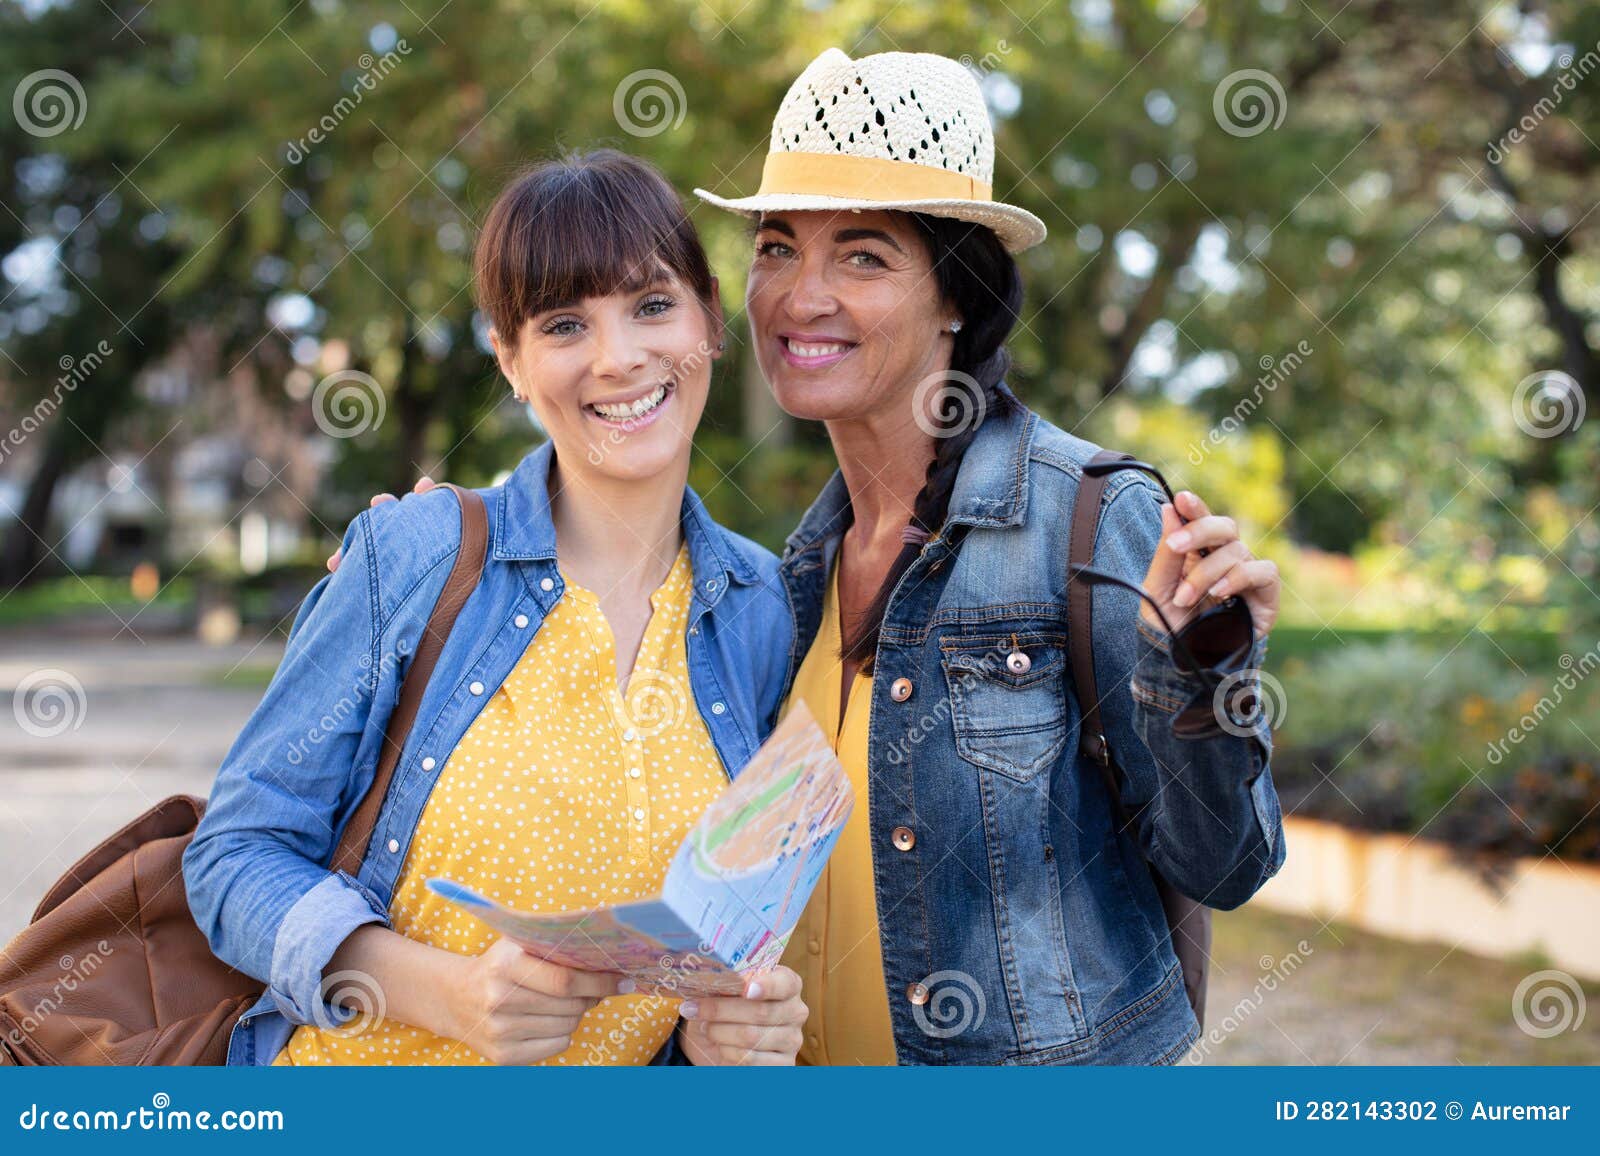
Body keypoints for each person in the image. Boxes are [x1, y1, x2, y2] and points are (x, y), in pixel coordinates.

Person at [343, 47, 1289, 1065]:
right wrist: (431, 559)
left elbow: (1225, 862)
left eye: (864, 256)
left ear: (957, 296)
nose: (801, 296)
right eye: (777, 247)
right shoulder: (777, 580)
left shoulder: (1088, 520)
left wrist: (1198, 676)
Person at [184, 150, 807, 1066]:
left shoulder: (758, 608)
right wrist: (445, 994)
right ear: (511, 361)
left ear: (709, 319)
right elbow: (233, 856)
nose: (618, 356)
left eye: (652, 305)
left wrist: (723, 1038)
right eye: (564, 324)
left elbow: (696, 950)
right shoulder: (416, 555)